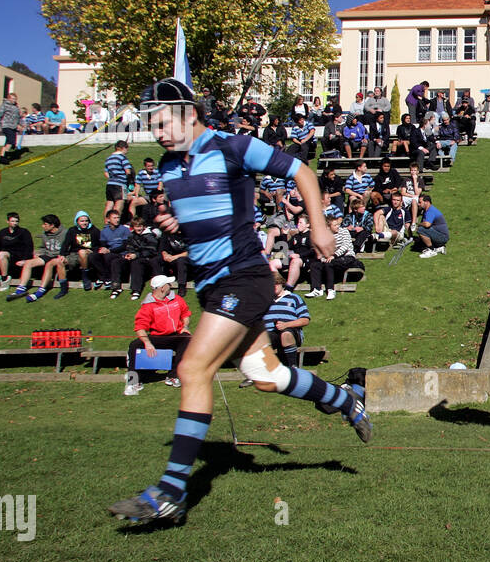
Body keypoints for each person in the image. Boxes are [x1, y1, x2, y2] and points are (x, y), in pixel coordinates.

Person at [106, 78, 372, 527]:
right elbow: (206, 215)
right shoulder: (170, 168)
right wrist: (178, 223)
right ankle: (345, 401)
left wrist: (319, 226)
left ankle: (171, 493)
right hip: (209, 285)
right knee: (265, 375)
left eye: (165, 121)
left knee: (192, 369)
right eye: (152, 124)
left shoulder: (233, 147)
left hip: (245, 278)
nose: (158, 131)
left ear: (191, 115)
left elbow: (303, 173)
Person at [126, 275, 192, 393]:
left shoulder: (176, 299)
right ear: (162, 288)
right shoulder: (148, 306)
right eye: (168, 284)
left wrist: (185, 327)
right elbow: (140, 327)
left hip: (176, 335)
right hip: (157, 337)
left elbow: (185, 314)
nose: (171, 286)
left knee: (187, 339)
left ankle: (174, 376)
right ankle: (133, 381)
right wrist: (147, 343)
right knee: (134, 345)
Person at [306, 212, 361, 299]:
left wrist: (334, 256)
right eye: (335, 225)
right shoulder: (325, 235)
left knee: (329, 263)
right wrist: (324, 258)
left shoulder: (344, 231)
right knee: (315, 265)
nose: (337, 226)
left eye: (337, 224)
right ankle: (316, 289)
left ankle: (330, 290)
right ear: (328, 227)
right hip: (331, 258)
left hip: (346, 257)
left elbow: (345, 246)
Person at [263, 271, 310, 370]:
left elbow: (305, 320)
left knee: (286, 334)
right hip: (270, 333)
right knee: (261, 338)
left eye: (276, 283)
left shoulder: (294, 298)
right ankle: (258, 372)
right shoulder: (264, 301)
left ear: (281, 283)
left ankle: (293, 366)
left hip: (291, 332)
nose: (274, 286)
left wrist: (286, 325)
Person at [17, 214, 70, 302]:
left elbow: (70, 247)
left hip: (59, 256)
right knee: (28, 263)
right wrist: (38, 253)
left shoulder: (65, 233)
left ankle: (41, 290)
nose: (43, 226)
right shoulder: (45, 234)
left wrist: (64, 255)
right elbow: (43, 248)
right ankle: (21, 288)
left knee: (49, 264)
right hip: (48, 255)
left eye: (45, 224)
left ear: (52, 225)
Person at [0, 212, 35, 295]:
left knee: (2, 254)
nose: (15, 223)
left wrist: (25, 260)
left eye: (16, 221)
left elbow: (29, 247)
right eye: (12, 221)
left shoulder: (24, 232)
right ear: (7, 221)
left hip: (17, 256)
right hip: (2, 255)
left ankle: (5, 279)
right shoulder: (2, 232)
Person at [59, 210, 100, 290]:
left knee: (82, 252)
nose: (84, 223)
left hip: (88, 254)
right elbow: (66, 243)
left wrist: (92, 250)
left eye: (86, 221)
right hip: (74, 254)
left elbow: (99, 245)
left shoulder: (94, 231)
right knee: (59, 261)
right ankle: (63, 288)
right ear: (77, 221)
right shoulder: (72, 231)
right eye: (82, 221)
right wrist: (62, 255)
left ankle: (85, 276)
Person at [97, 208, 132, 296]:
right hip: (110, 254)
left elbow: (125, 246)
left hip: (122, 254)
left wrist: (109, 250)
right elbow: (103, 244)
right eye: (114, 218)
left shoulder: (124, 230)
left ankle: (110, 280)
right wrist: (104, 249)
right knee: (95, 256)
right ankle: (104, 278)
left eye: (118, 218)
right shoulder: (104, 231)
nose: (117, 220)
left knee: (109, 257)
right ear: (108, 219)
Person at [104, 139, 134, 219]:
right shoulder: (122, 157)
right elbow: (128, 171)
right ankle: (115, 222)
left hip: (110, 184)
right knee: (120, 203)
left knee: (109, 204)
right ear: (122, 148)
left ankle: (106, 223)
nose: (127, 151)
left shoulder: (108, 159)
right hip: (120, 184)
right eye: (127, 149)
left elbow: (106, 173)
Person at [415, 193, 449, 258]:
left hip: (442, 237)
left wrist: (419, 224)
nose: (418, 204)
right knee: (421, 232)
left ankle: (431, 250)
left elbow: (427, 224)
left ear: (427, 202)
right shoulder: (427, 210)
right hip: (441, 235)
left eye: (420, 202)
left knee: (420, 230)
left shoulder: (430, 211)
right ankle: (439, 247)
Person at [0, 93, 23, 164]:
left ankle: (2, 157)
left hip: (14, 126)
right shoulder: (4, 105)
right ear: (9, 98)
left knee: (8, 142)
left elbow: (18, 117)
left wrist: (22, 124)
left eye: (15, 99)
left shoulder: (16, 106)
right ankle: (5, 156)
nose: (14, 100)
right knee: (11, 141)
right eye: (13, 99)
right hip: (6, 125)